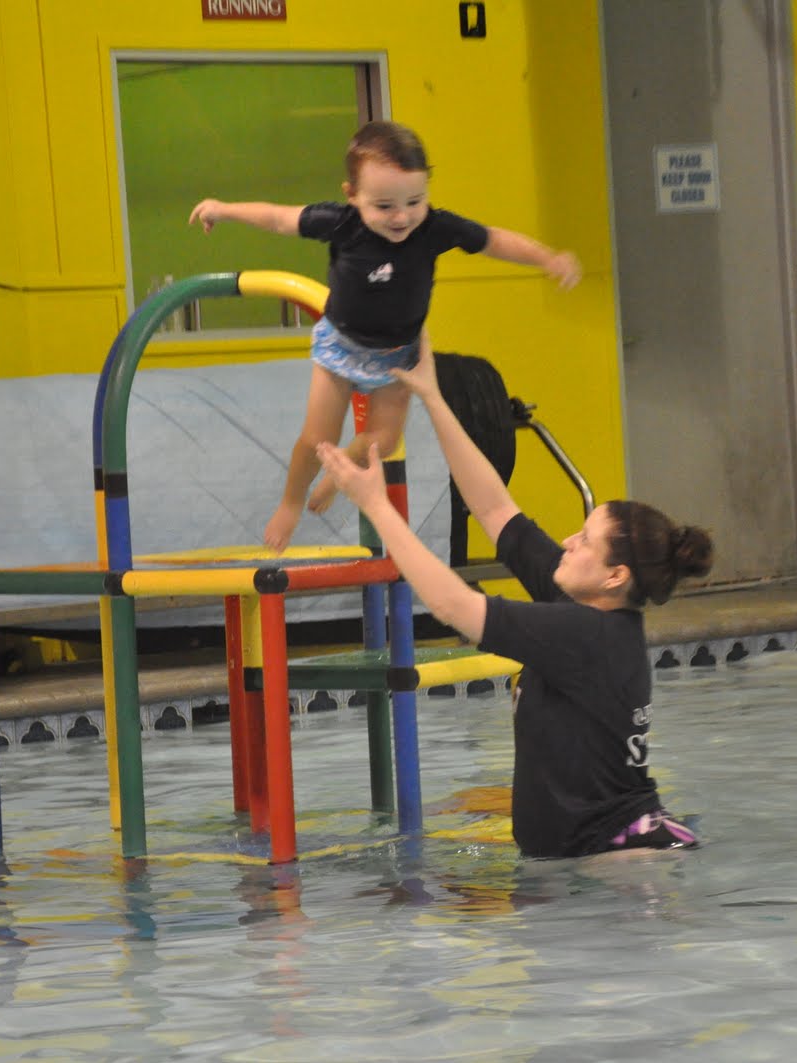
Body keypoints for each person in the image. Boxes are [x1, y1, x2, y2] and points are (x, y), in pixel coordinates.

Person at [315, 333, 714, 860]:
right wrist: (433, 397)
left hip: (622, 864)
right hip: (590, 859)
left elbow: (452, 606)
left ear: (615, 576)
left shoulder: (585, 634)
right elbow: (495, 509)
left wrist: (378, 507)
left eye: (585, 541)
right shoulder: (584, 605)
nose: (568, 543)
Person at [189, 119, 582, 550]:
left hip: (398, 355)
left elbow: (493, 240)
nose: (402, 217)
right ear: (352, 195)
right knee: (316, 438)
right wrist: (223, 209)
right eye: (384, 206)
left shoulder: (435, 227)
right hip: (340, 347)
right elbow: (279, 218)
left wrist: (547, 258)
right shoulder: (341, 224)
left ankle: (337, 479)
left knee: (385, 440)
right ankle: (291, 502)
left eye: (414, 201)